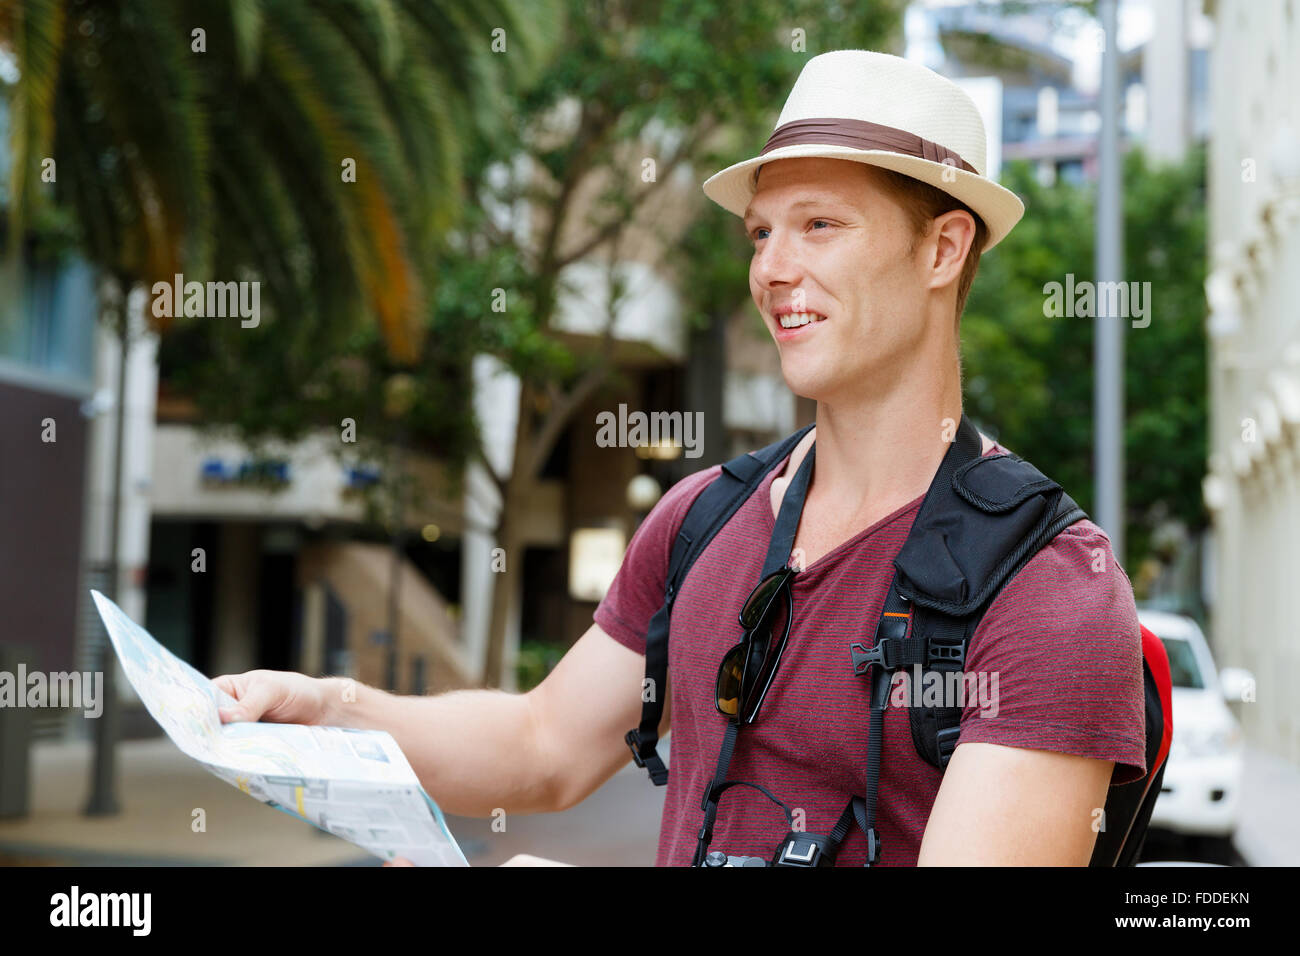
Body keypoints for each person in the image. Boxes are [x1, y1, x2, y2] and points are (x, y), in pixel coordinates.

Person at [215, 50, 1145, 866]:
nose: (772, 268)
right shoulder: (703, 517)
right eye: (761, 231)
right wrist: (334, 710)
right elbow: (544, 746)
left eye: (820, 224)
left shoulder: (1052, 585)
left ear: (943, 249)